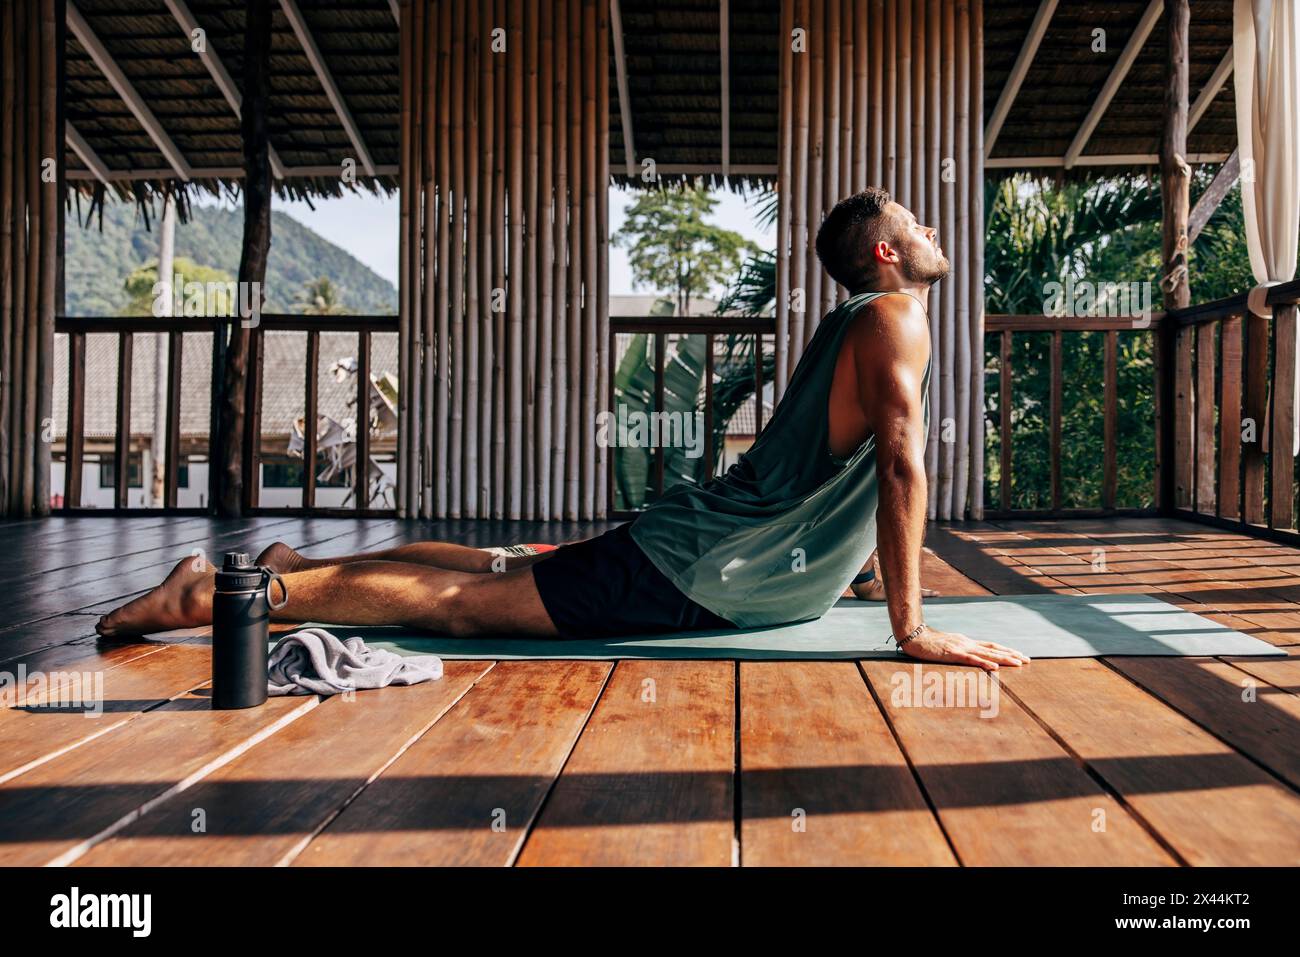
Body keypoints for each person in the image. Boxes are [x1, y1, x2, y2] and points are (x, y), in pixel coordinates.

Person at [97, 187, 1027, 672]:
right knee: (468, 608)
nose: (932, 228)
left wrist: (856, 571)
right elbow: (899, 460)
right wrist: (914, 627)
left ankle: (287, 570)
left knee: (500, 568)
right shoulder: (895, 316)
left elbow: (838, 472)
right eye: (916, 222)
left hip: (705, 548)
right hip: (702, 567)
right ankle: (227, 596)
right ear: (885, 251)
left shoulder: (860, 321)